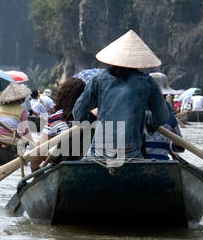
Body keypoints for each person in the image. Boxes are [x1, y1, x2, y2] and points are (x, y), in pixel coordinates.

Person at [72, 29, 170, 161]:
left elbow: (78, 112)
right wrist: (150, 124)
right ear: (138, 62)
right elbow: (162, 117)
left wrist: (89, 124)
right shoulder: (148, 82)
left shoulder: (99, 79)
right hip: (131, 154)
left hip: (100, 153)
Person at [31, 77, 86, 171]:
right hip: (87, 161)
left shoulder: (55, 117)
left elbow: (42, 147)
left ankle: (37, 181)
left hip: (63, 162)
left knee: (36, 155)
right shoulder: (91, 116)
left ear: (63, 95)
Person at [142, 72, 182, 159]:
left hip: (138, 160)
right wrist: (169, 146)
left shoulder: (137, 114)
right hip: (162, 161)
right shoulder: (171, 117)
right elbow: (179, 147)